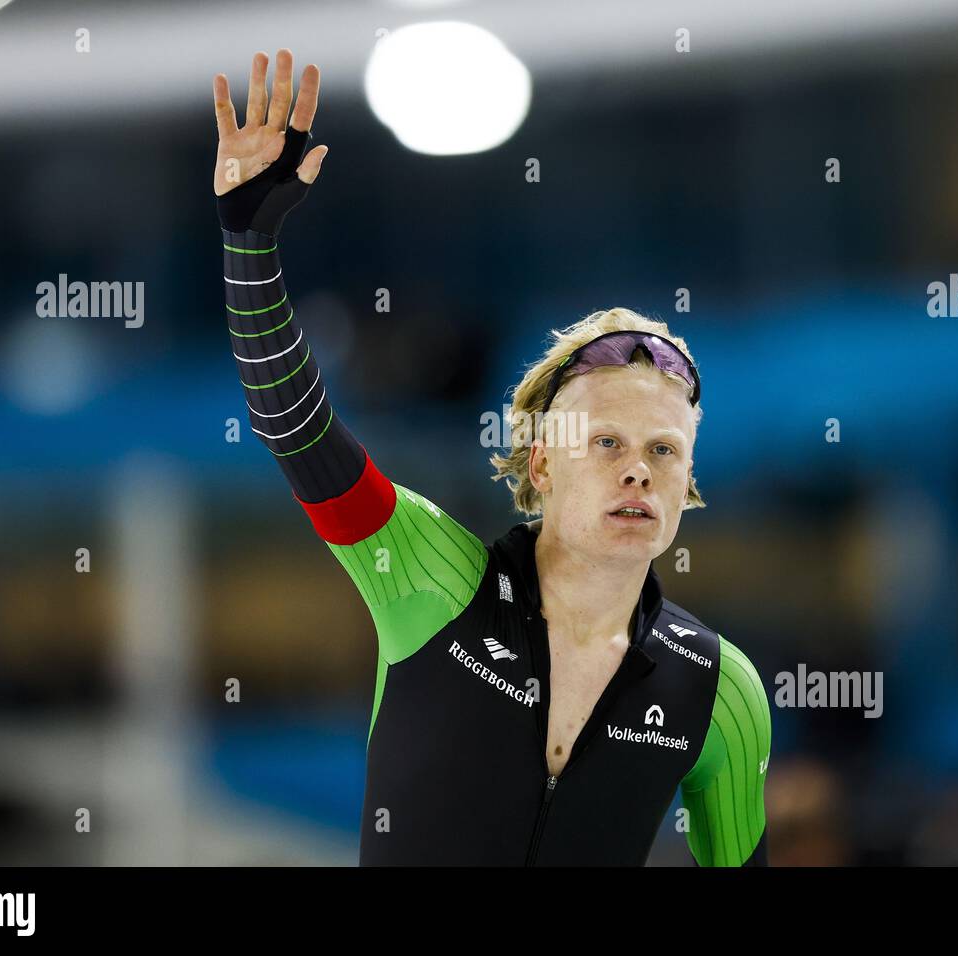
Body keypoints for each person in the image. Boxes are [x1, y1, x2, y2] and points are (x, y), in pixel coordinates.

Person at [213, 49, 771, 866]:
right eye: (606, 441)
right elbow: (298, 431)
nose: (638, 470)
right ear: (541, 465)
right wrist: (249, 244)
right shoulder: (434, 580)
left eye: (664, 450)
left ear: (689, 483)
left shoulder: (720, 690)